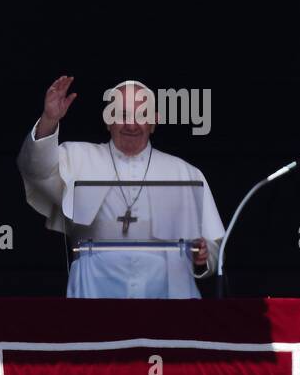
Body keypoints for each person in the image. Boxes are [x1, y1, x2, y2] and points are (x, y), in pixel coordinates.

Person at [17, 76, 225, 299]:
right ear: (108, 120)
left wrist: (202, 258)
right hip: (95, 290)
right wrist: (49, 119)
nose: (131, 125)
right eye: (122, 114)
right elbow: (35, 169)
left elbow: (212, 246)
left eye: (141, 115)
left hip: (167, 294)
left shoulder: (185, 172)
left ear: (154, 121)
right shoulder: (77, 157)